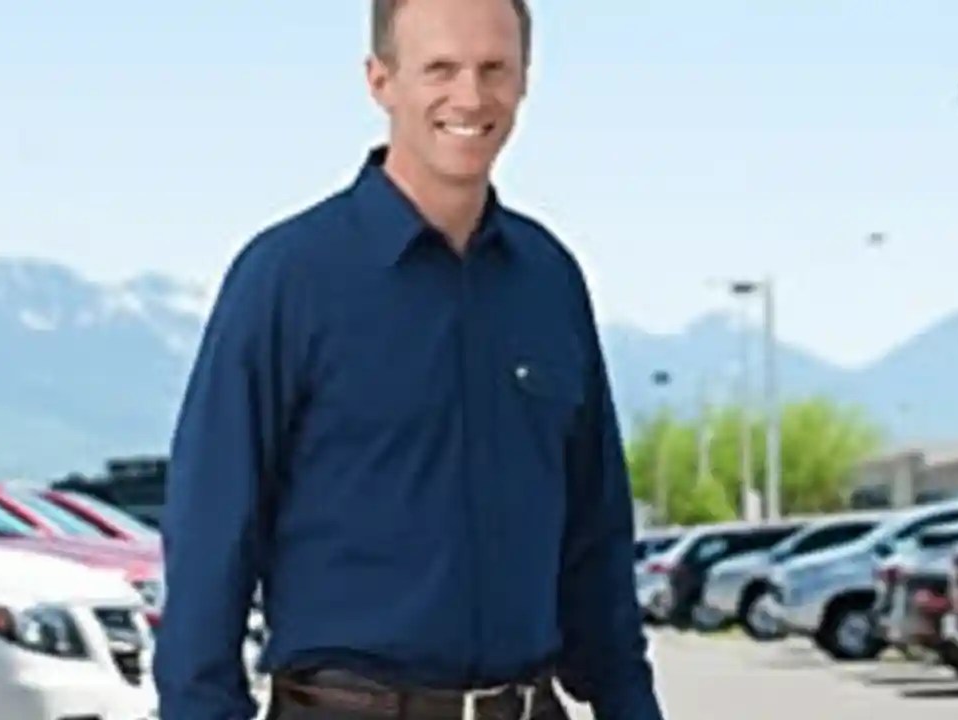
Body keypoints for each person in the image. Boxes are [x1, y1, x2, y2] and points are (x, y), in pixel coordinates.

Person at [152, 0, 665, 718]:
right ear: (380, 81)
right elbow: (213, 533)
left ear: (525, 80)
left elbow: (595, 532)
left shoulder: (549, 279)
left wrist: (630, 706)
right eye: (441, 69)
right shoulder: (288, 277)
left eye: (495, 69)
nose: (470, 96)